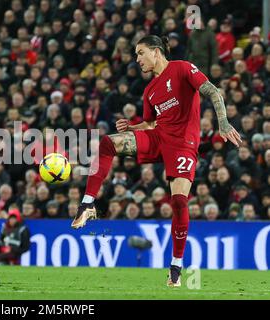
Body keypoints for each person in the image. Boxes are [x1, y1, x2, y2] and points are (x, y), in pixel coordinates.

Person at [71, 35, 241, 287]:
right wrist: (132, 126)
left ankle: (175, 266)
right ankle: (87, 205)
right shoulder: (150, 90)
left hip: (183, 143)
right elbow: (151, 123)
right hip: (159, 137)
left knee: (179, 202)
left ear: (156, 51)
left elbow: (212, 91)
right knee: (108, 142)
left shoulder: (182, 68)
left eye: (140, 53)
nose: (137, 59)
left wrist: (223, 122)